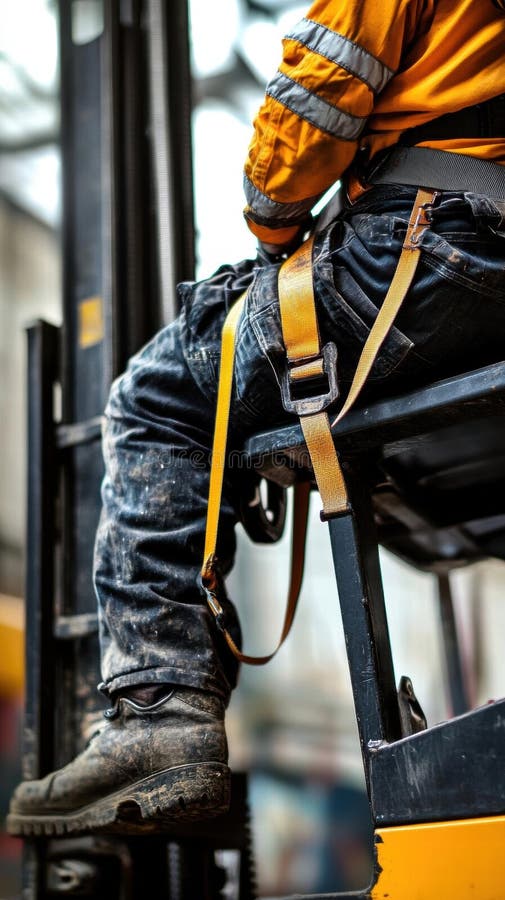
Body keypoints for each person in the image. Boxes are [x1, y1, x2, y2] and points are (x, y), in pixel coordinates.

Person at [8, 0, 505, 837]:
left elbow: (315, 98)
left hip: (437, 240)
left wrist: (273, 221)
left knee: (158, 397)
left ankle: (156, 716)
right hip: (474, 240)